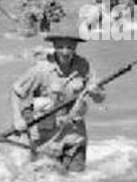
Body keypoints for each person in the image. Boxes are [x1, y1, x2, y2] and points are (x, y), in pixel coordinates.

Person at [10, 18, 105, 173]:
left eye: (70, 47)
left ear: (76, 47)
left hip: (75, 137)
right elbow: (15, 91)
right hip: (45, 140)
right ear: (54, 46)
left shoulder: (84, 66)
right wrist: (17, 119)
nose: (65, 52)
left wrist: (96, 93)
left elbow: (101, 98)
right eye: (61, 47)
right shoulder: (41, 70)